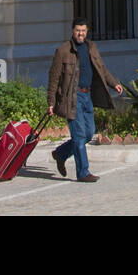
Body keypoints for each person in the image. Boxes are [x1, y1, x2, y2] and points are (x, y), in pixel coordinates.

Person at [47, 19, 122, 183]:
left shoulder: (91, 48)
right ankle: (83, 172)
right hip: (71, 98)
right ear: (72, 31)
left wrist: (113, 83)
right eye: (77, 30)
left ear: (87, 32)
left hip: (87, 96)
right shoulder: (63, 51)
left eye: (83, 31)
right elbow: (53, 79)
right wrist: (51, 103)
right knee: (79, 135)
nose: (80, 33)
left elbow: (101, 68)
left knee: (88, 133)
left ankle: (61, 153)